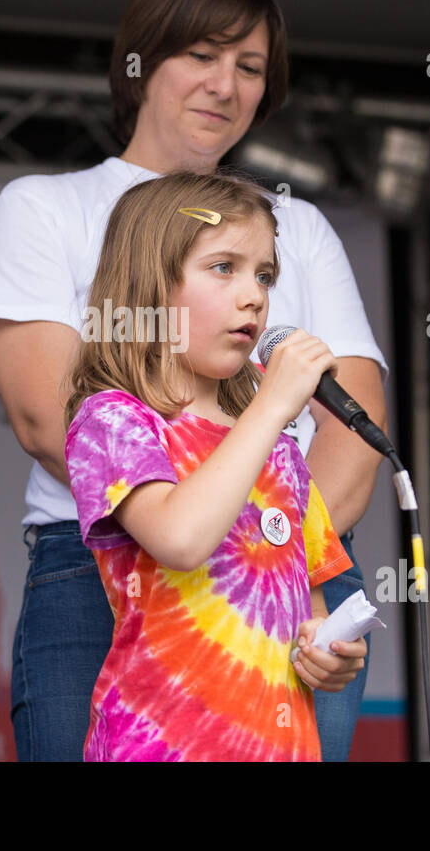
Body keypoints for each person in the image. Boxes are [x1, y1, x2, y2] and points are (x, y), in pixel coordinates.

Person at [0, 0, 388, 760]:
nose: (225, 84)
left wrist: (274, 561)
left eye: (250, 67)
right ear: (141, 61)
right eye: (201, 53)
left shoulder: (299, 226)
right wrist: (194, 526)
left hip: (290, 568)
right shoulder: (45, 206)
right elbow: (47, 413)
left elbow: (353, 428)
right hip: (104, 567)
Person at [64, 171, 367, 760]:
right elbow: (179, 537)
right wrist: (274, 405)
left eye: (265, 275)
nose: (253, 295)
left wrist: (327, 654)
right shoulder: (114, 421)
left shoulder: (277, 449)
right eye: (224, 267)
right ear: (150, 287)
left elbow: (312, 610)